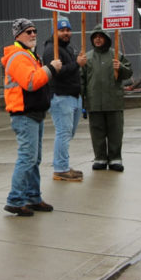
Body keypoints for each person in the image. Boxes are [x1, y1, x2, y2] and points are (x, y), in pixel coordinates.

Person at [2, 18, 62, 216]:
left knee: (34, 158)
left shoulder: (29, 55)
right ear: (17, 35)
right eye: (28, 31)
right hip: (24, 114)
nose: (33, 34)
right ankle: (16, 199)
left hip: (33, 113)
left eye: (34, 31)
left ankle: (32, 197)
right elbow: (30, 82)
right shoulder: (19, 56)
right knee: (27, 158)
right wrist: (51, 68)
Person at [81, 26, 132, 172]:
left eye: (100, 36)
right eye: (95, 36)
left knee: (115, 132)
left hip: (114, 101)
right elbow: (82, 79)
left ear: (107, 39)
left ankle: (115, 158)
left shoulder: (117, 55)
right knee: (97, 132)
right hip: (94, 102)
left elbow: (128, 73)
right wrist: (82, 101)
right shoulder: (87, 57)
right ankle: (100, 157)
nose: (97, 39)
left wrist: (120, 67)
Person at [42, 17, 88, 181]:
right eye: (62, 30)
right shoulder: (51, 50)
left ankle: (63, 164)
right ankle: (60, 169)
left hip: (73, 96)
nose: (66, 33)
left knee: (68, 133)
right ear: (55, 32)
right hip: (61, 97)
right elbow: (57, 72)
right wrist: (77, 63)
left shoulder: (67, 48)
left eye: (68, 30)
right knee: (63, 133)